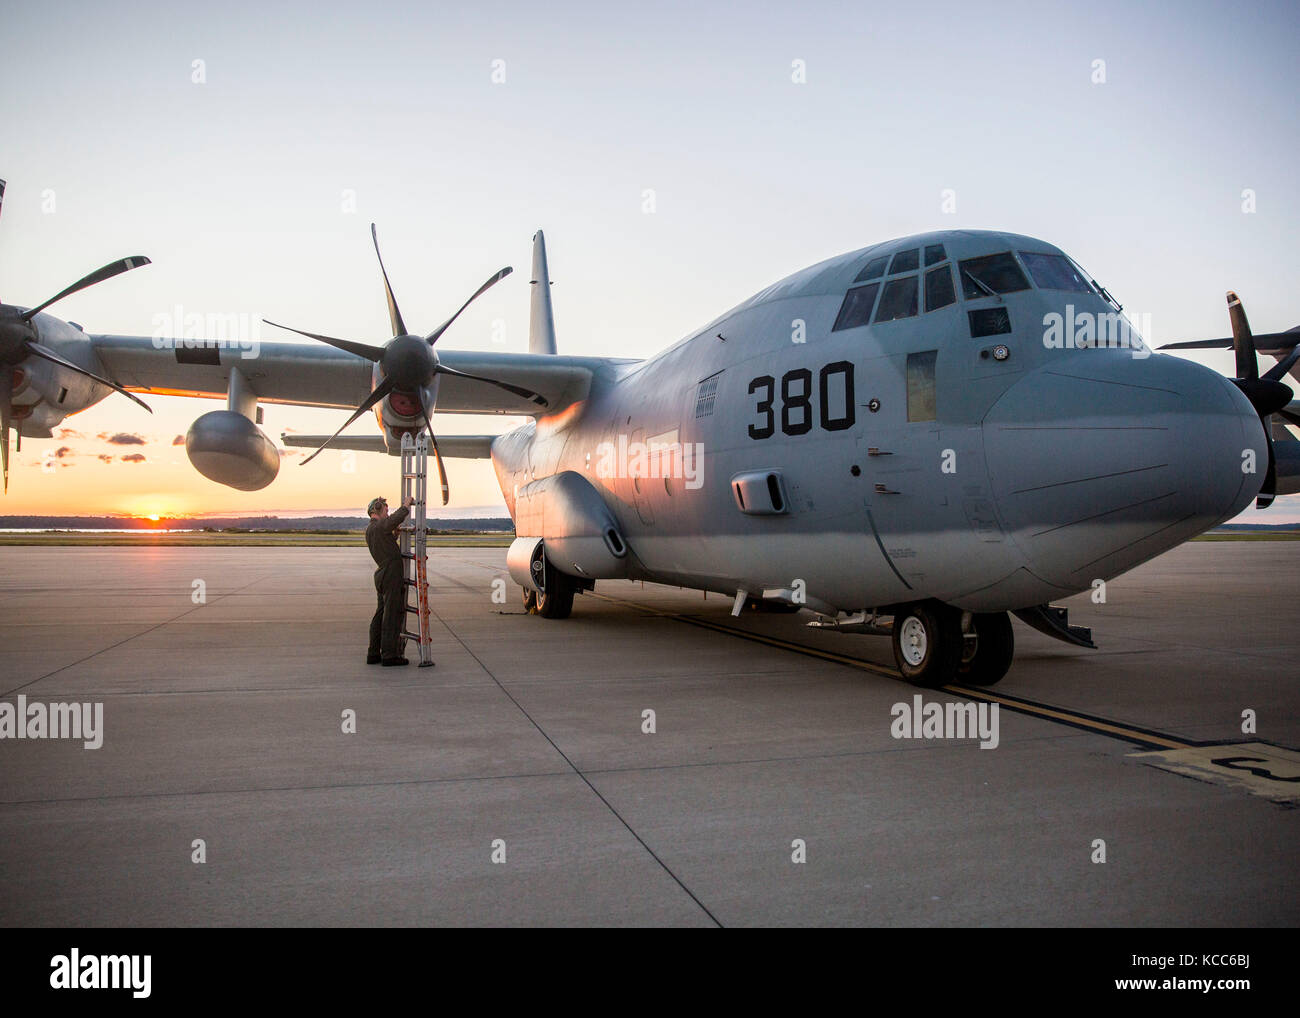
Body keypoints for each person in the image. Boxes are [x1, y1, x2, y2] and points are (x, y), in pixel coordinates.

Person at [365, 494, 415, 666]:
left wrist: (395, 534)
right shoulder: (379, 526)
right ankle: (389, 655)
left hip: (381, 574)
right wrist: (406, 505)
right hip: (390, 574)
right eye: (386, 510)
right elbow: (395, 518)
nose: (388, 513)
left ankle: (373, 653)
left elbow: (385, 540)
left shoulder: (371, 529)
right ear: (378, 510)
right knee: (391, 615)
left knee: (380, 614)